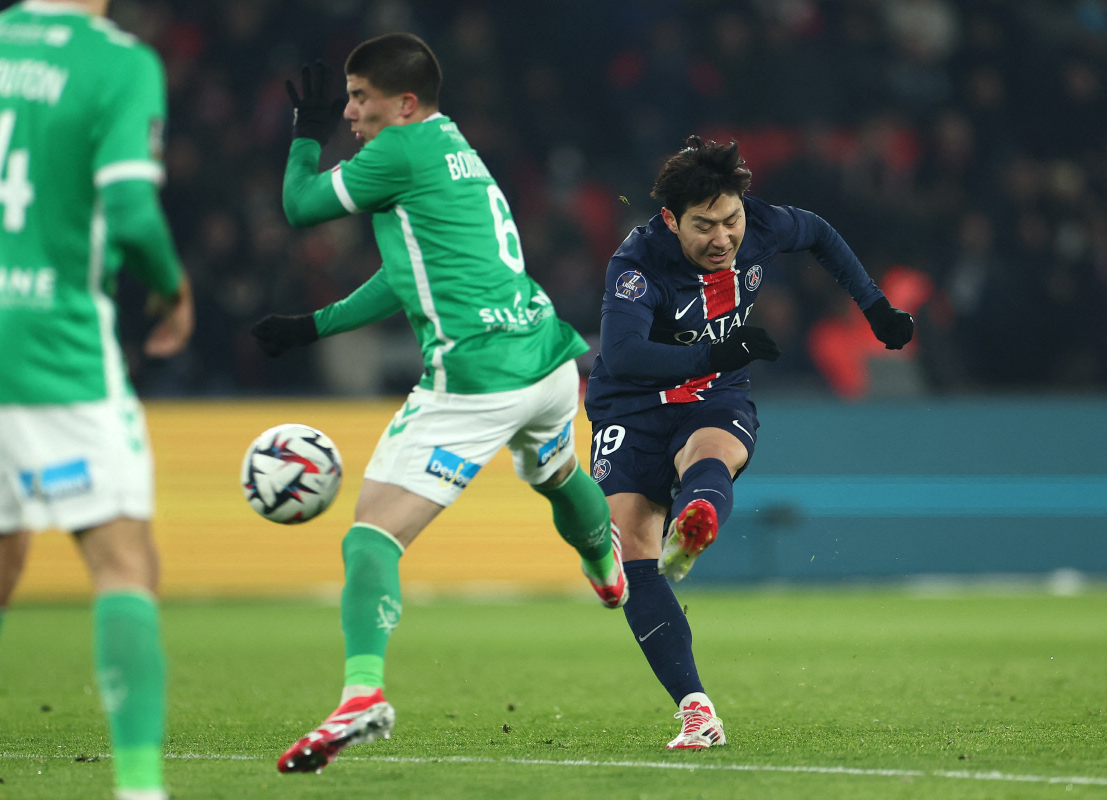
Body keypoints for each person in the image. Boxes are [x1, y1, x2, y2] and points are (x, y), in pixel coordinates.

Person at [249, 33, 625, 774]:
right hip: (547, 354)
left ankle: (362, 693)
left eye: (361, 98)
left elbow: (298, 207)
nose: (350, 112)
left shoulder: (397, 151)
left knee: (370, 539)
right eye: (346, 99)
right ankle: (604, 561)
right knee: (553, 475)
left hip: (477, 378)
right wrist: (315, 325)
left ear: (406, 103)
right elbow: (408, 273)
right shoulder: (452, 146)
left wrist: (304, 134)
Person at [0, 2, 193, 798]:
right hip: (55, 344)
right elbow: (133, 213)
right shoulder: (117, 63)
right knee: (124, 563)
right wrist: (173, 292)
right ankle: (140, 789)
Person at [585, 136, 913, 749]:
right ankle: (695, 704)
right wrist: (718, 350)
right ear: (669, 220)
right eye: (704, 226)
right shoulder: (637, 261)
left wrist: (874, 306)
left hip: (714, 392)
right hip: (632, 402)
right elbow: (625, 353)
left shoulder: (761, 223)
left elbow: (816, 231)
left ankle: (697, 516)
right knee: (634, 556)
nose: (724, 238)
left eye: (731, 220)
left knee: (711, 454)